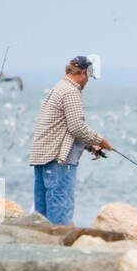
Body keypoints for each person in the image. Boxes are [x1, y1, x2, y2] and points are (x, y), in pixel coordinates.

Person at [28, 55, 114, 224]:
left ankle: (44, 245)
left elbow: (65, 128)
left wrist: (91, 146)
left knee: (42, 216)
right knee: (60, 212)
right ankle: (58, 248)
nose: (87, 81)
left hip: (43, 158)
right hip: (59, 162)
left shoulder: (59, 88)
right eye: (88, 77)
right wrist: (101, 140)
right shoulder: (71, 92)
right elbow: (76, 127)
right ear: (82, 73)